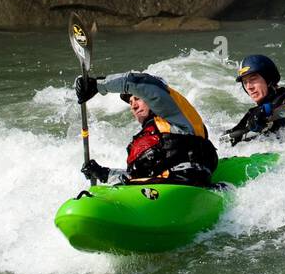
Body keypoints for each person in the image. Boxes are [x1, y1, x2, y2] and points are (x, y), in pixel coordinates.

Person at [74, 71, 218, 187]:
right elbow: (138, 178)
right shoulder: (145, 138)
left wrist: (98, 85)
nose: (133, 106)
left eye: (137, 99)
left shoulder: (179, 119)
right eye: (130, 102)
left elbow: (146, 85)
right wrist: (104, 173)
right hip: (156, 190)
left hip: (188, 185)